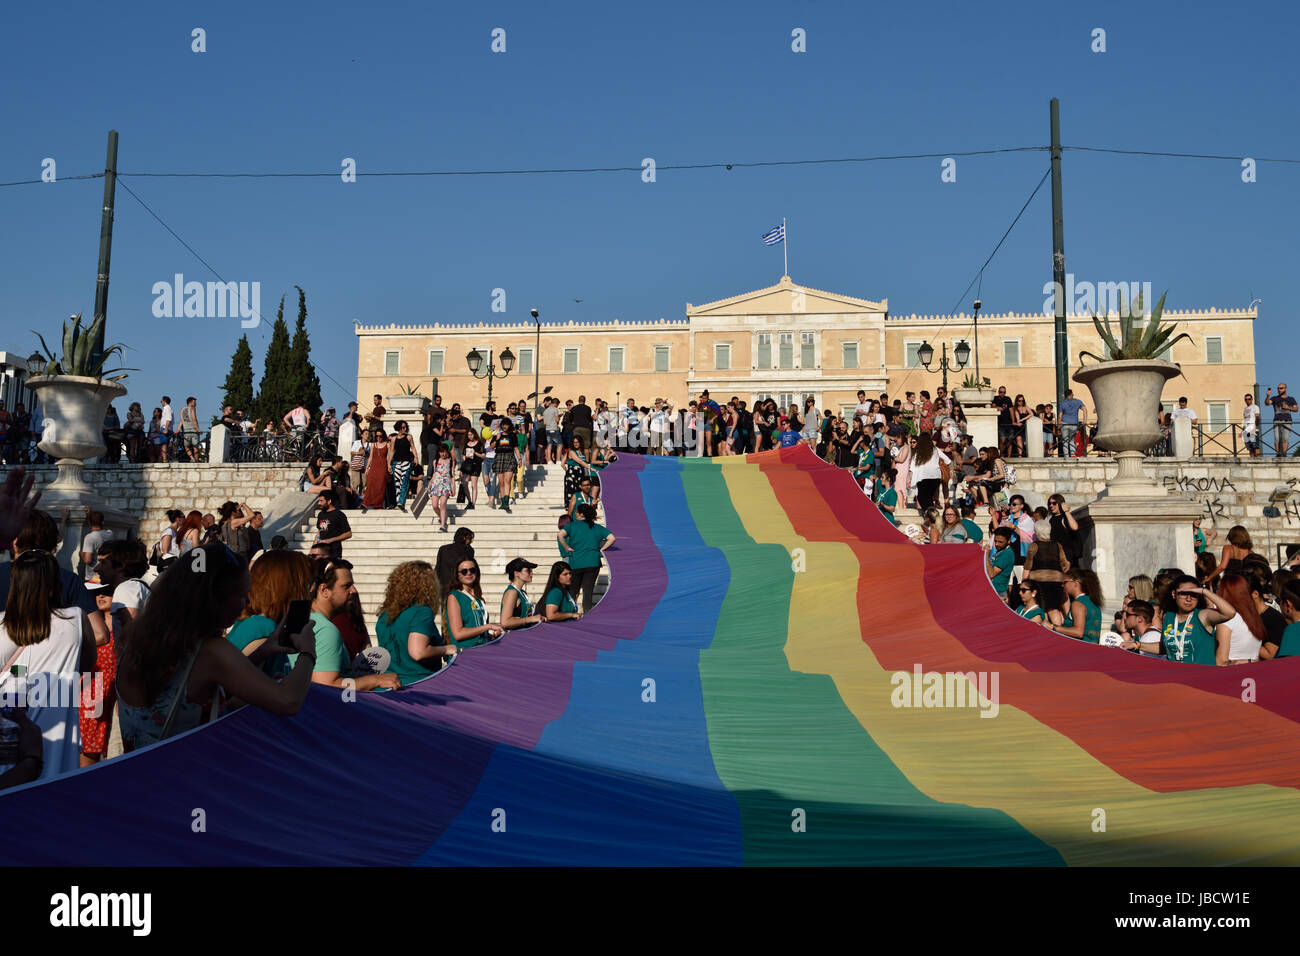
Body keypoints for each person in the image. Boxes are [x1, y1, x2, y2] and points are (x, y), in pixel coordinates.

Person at [114, 546, 318, 752]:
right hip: (188, 776)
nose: (247, 601)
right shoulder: (209, 651)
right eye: (241, 593)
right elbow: (288, 701)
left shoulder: (134, 639)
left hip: (140, 775)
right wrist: (308, 651)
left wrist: (263, 652)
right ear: (213, 598)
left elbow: (185, 690)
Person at [0, 549, 97, 780]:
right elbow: (87, 663)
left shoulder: (2, 627)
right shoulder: (75, 618)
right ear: (54, 584)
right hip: (59, 736)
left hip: (11, 734)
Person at [305, 559, 401, 691]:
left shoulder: (305, 619)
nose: (354, 591)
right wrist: (376, 680)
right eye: (346, 586)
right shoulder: (326, 629)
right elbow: (327, 686)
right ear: (324, 590)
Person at [225, 549, 314, 678]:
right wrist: (308, 651)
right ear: (288, 587)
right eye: (306, 584)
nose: (310, 591)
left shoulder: (257, 623)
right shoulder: (263, 627)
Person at [376, 561, 458, 685]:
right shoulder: (421, 612)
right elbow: (418, 652)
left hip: (389, 684)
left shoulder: (384, 615)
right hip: (418, 684)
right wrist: (446, 649)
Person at [1157, 574, 1236, 665]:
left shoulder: (1203, 616)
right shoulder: (1168, 616)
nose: (1188, 599)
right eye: (1184, 593)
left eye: (1193, 594)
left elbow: (1230, 613)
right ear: (1174, 594)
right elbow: (1164, 647)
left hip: (1202, 677)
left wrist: (1204, 591)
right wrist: (1139, 645)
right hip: (1178, 677)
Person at [559, 503, 614, 613]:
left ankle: (570, 614)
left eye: (577, 512)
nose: (575, 514)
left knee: (573, 591)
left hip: (576, 562)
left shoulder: (572, 526)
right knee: (588, 592)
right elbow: (612, 538)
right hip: (593, 562)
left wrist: (566, 547)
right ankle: (587, 614)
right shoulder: (597, 527)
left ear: (580, 514)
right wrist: (602, 550)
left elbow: (560, 535)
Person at [442, 557, 503, 647]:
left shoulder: (478, 598)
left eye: (472, 570)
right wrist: (488, 626)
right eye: (464, 571)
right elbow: (458, 634)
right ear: (457, 575)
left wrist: (490, 636)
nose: (469, 573)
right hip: (465, 655)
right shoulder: (454, 596)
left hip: (481, 651)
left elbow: (477, 632)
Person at [1213, 573, 1266, 665]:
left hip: (1232, 674)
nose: (1217, 593)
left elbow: (1221, 661)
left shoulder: (1227, 620)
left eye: (1218, 589)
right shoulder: (1253, 616)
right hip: (1253, 672)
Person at [95, 539, 151, 623]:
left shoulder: (126, 589)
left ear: (121, 565)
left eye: (103, 563)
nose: (96, 568)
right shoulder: (136, 586)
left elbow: (131, 631)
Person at [1049, 569, 1104, 643]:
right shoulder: (1094, 603)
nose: (1062, 585)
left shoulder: (1077, 603)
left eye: (1065, 582)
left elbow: (1078, 632)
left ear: (1076, 583)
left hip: (1080, 649)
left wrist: (1052, 627)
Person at [908, 432, 950, 512]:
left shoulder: (918, 451)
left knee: (921, 497)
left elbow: (912, 468)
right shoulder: (935, 449)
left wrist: (910, 479)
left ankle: (930, 514)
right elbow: (947, 460)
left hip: (923, 478)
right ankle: (931, 514)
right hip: (936, 477)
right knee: (929, 497)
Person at [500, 558, 544, 630]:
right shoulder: (512, 592)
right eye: (528, 571)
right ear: (516, 573)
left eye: (531, 571)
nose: (531, 573)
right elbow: (505, 622)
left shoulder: (522, 592)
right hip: (515, 638)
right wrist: (530, 619)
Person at [314, 490, 352, 561]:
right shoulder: (321, 514)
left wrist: (331, 540)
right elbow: (319, 532)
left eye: (321, 501)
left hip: (334, 552)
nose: (319, 503)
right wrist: (314, 548)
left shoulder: (339, 515)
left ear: (329, 501)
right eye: (318, 501)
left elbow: (348, 534)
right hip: (321, 552)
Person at [983, 527, 1016, 603]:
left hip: (998, 591)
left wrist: (987, 556)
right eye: (995, 541)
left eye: (1000, 542)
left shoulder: (1006, 554)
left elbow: (991, 574)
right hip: (994, 589)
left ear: (1008, 541)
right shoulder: (1001, 551)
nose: (997, 544)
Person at [427, 443, 456, 533]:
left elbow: (452, 475)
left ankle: (443, 525)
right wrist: (430, 484)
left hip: (446, 485)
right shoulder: (435, 461)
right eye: (441, 452)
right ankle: (442, 517)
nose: (443, 454)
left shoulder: (451, 461)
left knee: (442, 504)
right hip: (436, 484)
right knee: (435, 506)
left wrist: (453, 487)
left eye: (444, 452)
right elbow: (434, 473)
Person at [79, 509, 113, 581]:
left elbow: (87, 560)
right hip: (107, 575)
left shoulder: (89, 537)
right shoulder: (110, 534)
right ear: (102, 522)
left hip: (93, 577)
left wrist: (81, 554)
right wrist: (89, 516)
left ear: (89, 522)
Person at [492, 420, 519, 511]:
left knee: (508, 480)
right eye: (503, 425)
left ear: (509, 426)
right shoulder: (497, 434)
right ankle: (503, 502)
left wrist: (519, 459)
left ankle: (506, 502)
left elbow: (515, 447)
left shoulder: (512, 435)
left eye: (506, 425)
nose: (505, 426)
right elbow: (491, 446)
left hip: (510, 457)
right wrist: (497, 439)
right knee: (501, 482)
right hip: (499, 457)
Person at [1265, 384, 1297, 457]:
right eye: (1278, 388)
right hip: (1277, 420)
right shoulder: (1274, 398)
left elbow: (1296, 409)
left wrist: (1288, 407)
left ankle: (1284, 453)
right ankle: (1278, 454)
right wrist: (1267, 396)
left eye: (1281, 388)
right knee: (1276, 438)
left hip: (1287, 420)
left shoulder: (1291, 399)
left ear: (1286, 388)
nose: (1279, 389)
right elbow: (1267, 403)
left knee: (1285, 438)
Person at [362, 428, 390, 511]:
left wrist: (389, 466)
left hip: (382, 467)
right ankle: (365, 503)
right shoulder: (373, 445)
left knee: (380, 486)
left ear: (383, 436)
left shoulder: (387, 444)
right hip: (374, 466)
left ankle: (378, 505)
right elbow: (370, 457)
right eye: (377, 436)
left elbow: (389, 457)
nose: (378, 438)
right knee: (370, 484)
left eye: (380, 436)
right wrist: (367, 468)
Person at [1057, 389, 1086, 457]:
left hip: (1064, 424)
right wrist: (1084, 420)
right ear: (1071, 394)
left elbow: (1060, 415)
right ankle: (1073, 454)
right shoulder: (1078, 402)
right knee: (1072, 440)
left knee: (1065, 441)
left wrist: (1058, 425)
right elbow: (1085, 410)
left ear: (1065, 395)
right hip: (1074, 424)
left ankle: (1066, 456)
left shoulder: (1062, 403)